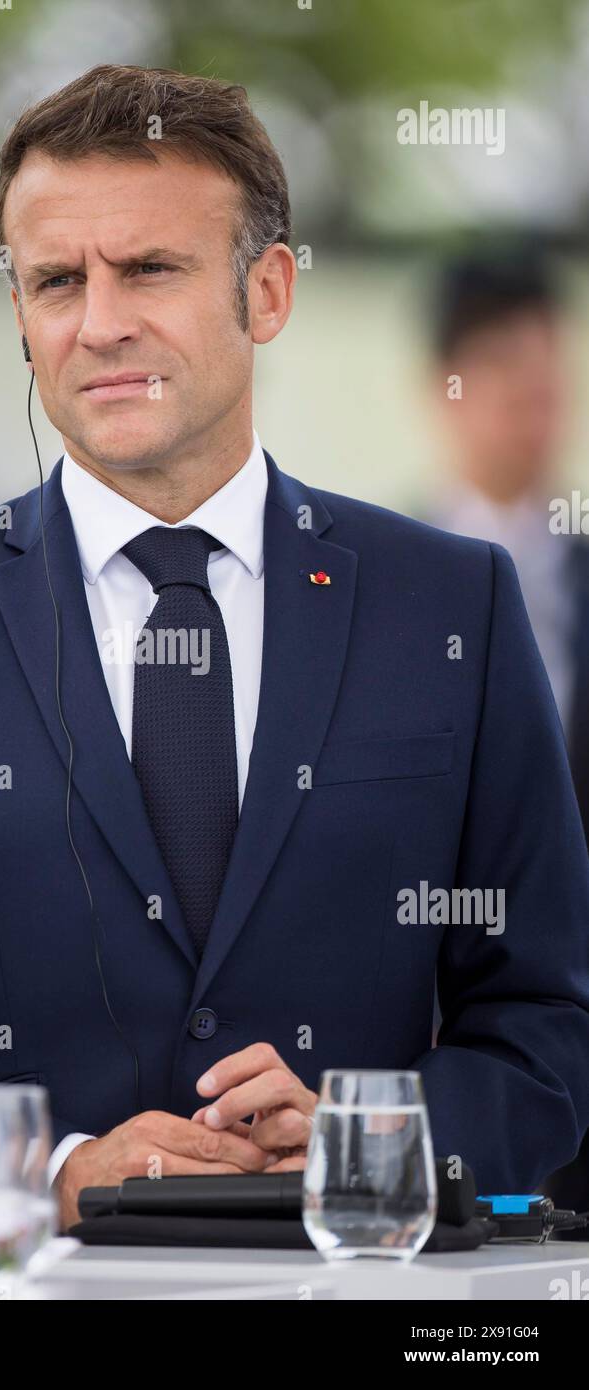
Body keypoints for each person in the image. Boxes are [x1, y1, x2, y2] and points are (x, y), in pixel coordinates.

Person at [0, 65, 588, 1240]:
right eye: (54, 280)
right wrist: (48, 1168)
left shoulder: (452, 605)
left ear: (267, 291)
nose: (99, 321)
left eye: (150, 269)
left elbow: (548, 1016)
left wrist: (373, 1137)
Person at [426, 248, 589, 1231]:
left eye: (548, 387)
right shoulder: (377, 583)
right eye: (505, 383)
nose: (532, 415)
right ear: (444, 387)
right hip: (447, 1033)